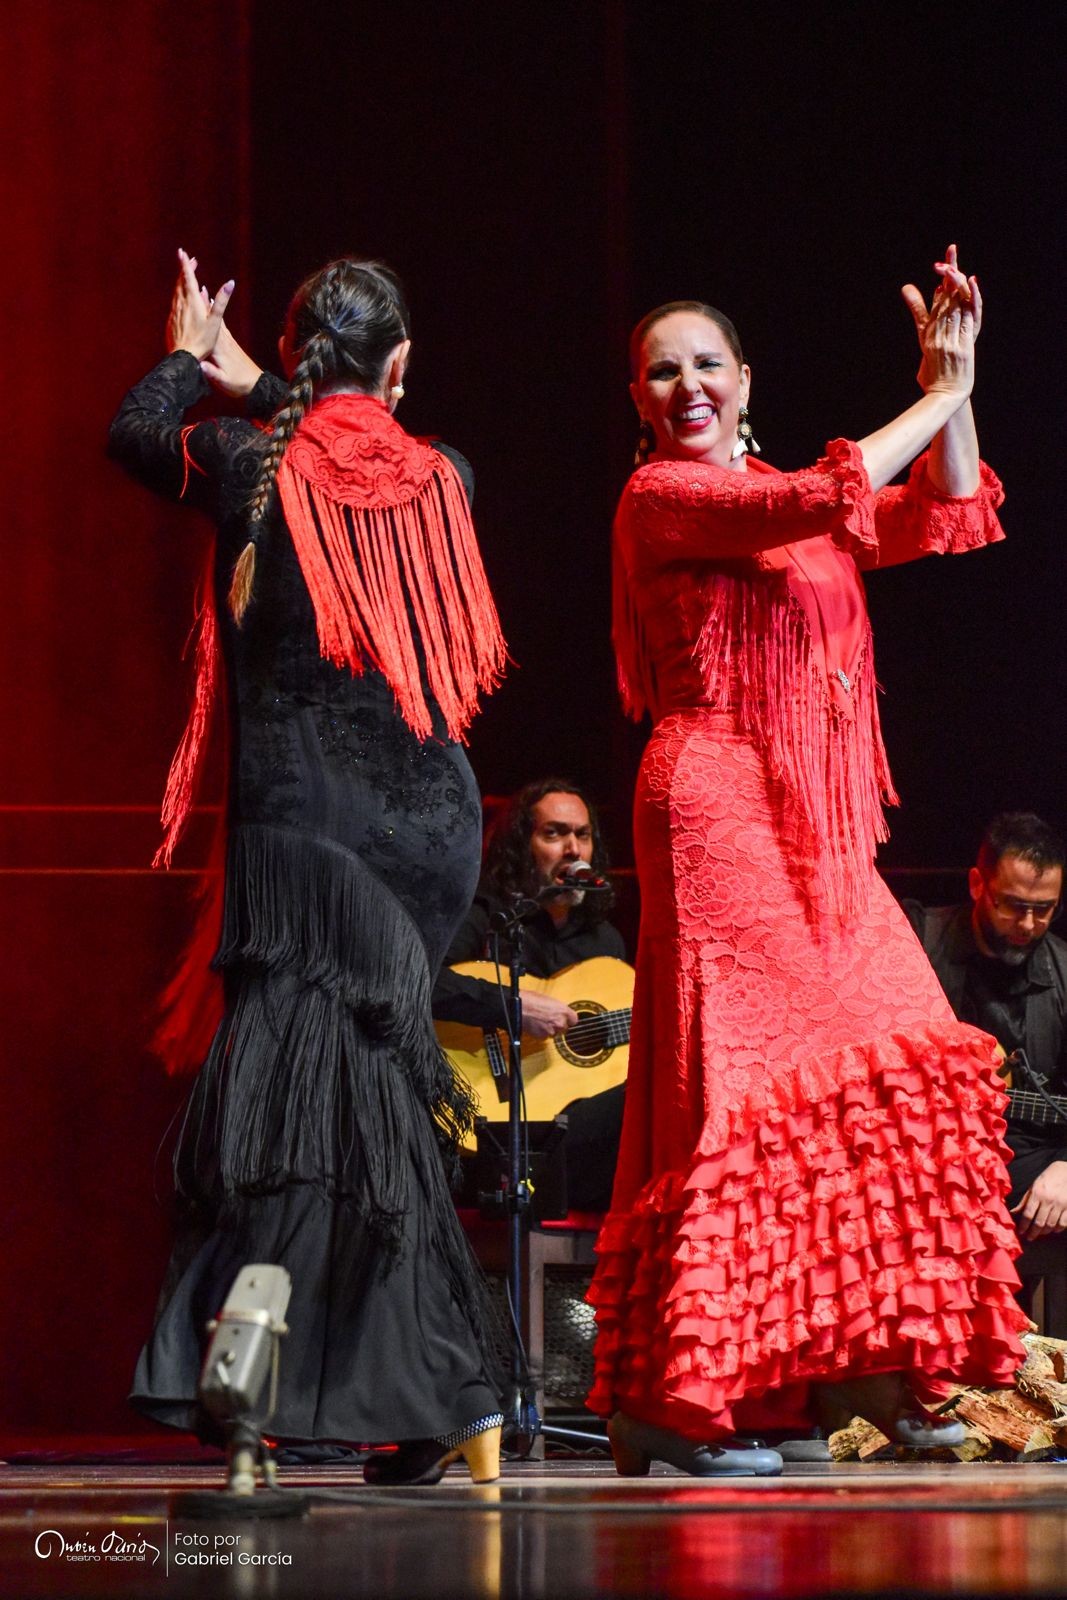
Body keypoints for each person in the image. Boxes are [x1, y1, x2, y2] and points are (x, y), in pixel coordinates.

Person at [589, 245, 1029, 1480]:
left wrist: (957, 378)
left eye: (705, 364)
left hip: (815, 830)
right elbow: (802, 504)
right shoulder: (663, 499)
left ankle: (876, 1366)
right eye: (659, 372)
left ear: (742, 377)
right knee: (732, 1094)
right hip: (713, 805)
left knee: (892, 1058)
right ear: (638, 399)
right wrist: (930, 401)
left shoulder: (794, 495)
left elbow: (943, 510)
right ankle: (674, 1404)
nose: (685, 386)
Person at [109, 251, 509, 1485]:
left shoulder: (250, 464)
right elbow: (341, 429)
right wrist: (267, 375)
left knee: (292, 1103)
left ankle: (252, 1356)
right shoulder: (445, 472)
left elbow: (135, 431)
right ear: (400, 367)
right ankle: (436, 1388)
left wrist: (190, 349)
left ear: (291, 360)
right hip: (428, 834)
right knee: (370, 1102)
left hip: (306, 837)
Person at [432, 779, 628, 1210]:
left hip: (575, 1135)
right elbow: (421, 982)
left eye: (583, 834)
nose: (573, 849)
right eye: (554, 833)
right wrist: (511, 1007)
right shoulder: (484, 916)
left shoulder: (605, 942)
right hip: (478, 1123)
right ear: (523, 844)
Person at [906, 813, 1067, 1242]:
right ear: (978, 885)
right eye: (1014, 905)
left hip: (1021, 1155)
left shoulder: (1065, 971)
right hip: (919, 1148)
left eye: (1044, 909)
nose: (1029, 925)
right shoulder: (917, 942)